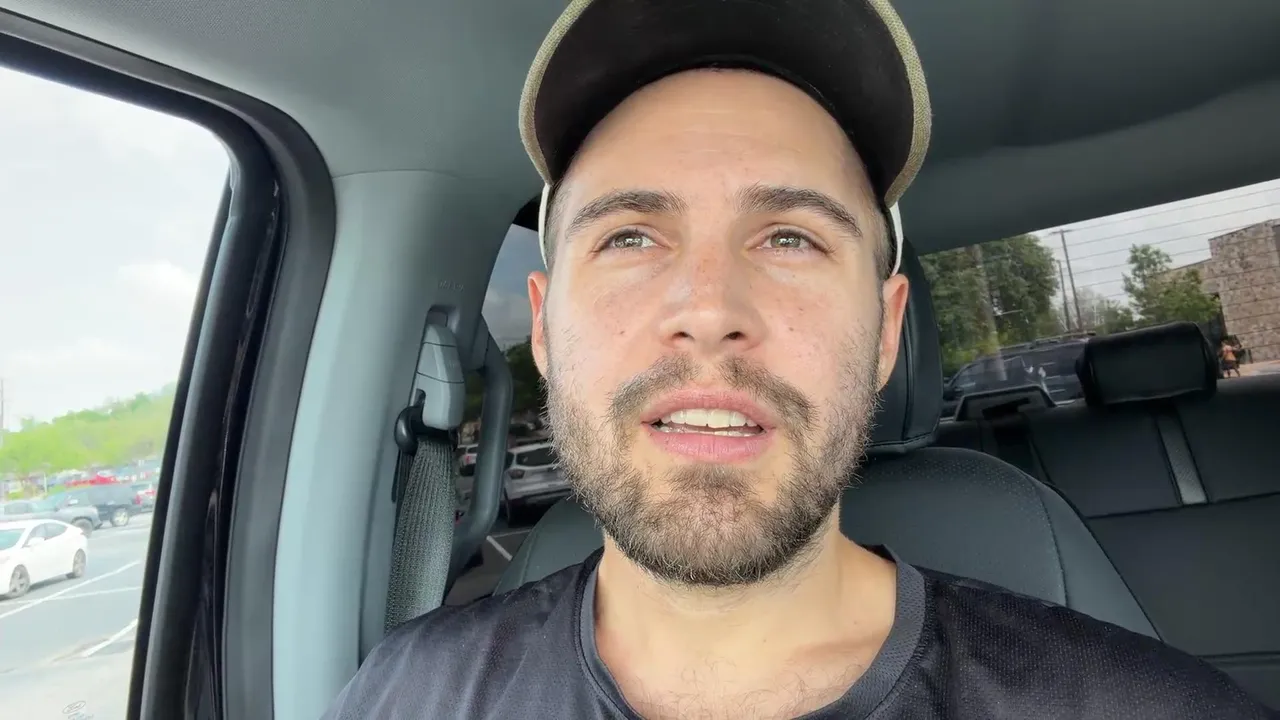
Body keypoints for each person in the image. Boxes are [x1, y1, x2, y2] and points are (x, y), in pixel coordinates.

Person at [323, 0, 1271, 717]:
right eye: (629, 237)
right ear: (544, 328)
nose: (708, 311)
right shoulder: (404, 694)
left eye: (789, 238)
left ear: (886, 333)